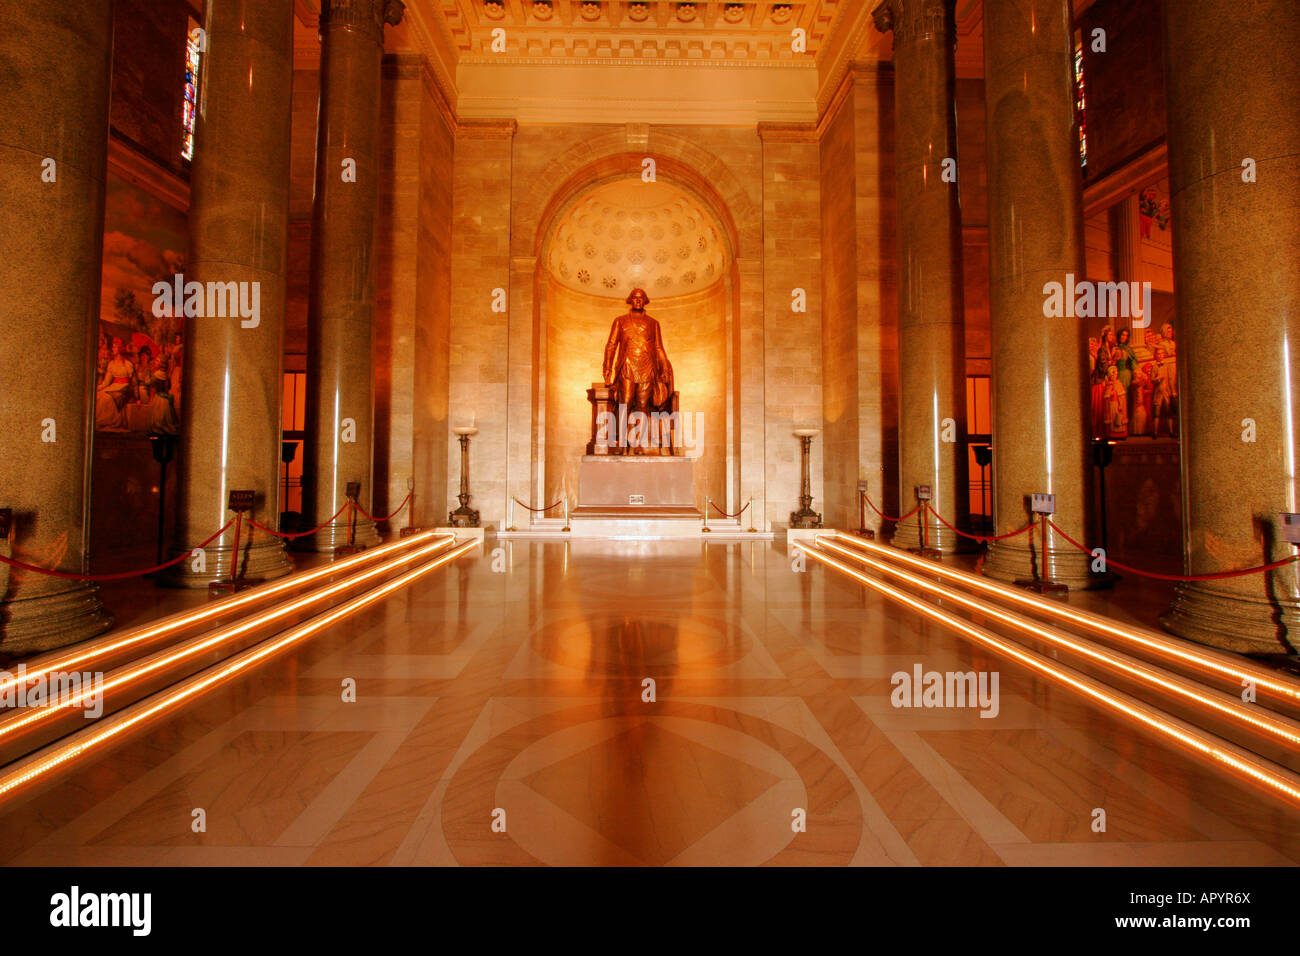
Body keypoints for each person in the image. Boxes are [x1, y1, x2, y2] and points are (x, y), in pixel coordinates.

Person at [602, 288, 675, 455]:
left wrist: (664, 367)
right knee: (624, 404)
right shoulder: (620, 321)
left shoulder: (653, 323)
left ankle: (637, 443)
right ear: (630, 300)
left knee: (642, 408)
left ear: (645, 301)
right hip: (627, 366)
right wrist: (607, 368)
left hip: (647, 368)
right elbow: (611, 345)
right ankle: (621, 443)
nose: (638, 300)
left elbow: (658, 348)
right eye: (635, 298)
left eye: (641, 298)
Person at [95, 337, 134, 430]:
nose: (112, 349)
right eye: (112, 347)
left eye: (115, 347)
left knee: (108, 398)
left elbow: (133, 382)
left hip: (125, 388)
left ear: (120, 349)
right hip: (114, 386)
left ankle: (110, 421)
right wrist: (96, 388)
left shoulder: (128, 364)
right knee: (99, 395)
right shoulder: (111, 364)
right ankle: (99, 422)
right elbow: (106, 382)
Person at [1103, 363, 1128, 439]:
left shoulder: (1119, 384)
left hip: (1118, 404)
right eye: (1112, 375)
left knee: (1119, 418)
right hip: (1111, 405)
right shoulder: (1108, 386)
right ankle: (1112, 434)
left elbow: (1122, 397)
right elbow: (1106, 397)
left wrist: (1120, 405)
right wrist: (1110, 395)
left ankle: (1121, 434)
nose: (1114, 376)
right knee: (1112, 418)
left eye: (1115, 375)